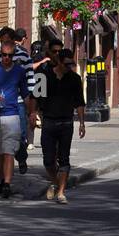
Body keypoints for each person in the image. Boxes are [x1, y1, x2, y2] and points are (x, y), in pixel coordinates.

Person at [0, 34, 36, 198]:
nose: (6, 58)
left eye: (9, 55)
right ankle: (2, 178)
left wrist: (31, 112)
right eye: (4, 55)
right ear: (0, 54)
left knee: (9, 150)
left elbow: (26, 95)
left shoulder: (19, 72)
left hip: (11, 115)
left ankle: (7, 184)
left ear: (13, 55)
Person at [38, 48, 86, 203]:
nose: (69, 67)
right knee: (48, 160)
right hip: (49, 122)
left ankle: (61, 192)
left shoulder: (75, 79)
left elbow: (79, 102)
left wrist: (82, 123)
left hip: (66, 122)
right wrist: (33, 113)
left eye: (71, 64)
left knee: (64, 159)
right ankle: (55, 182)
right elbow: (35, 97)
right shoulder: (45, 76)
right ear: (59, 61)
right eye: (66, 64)